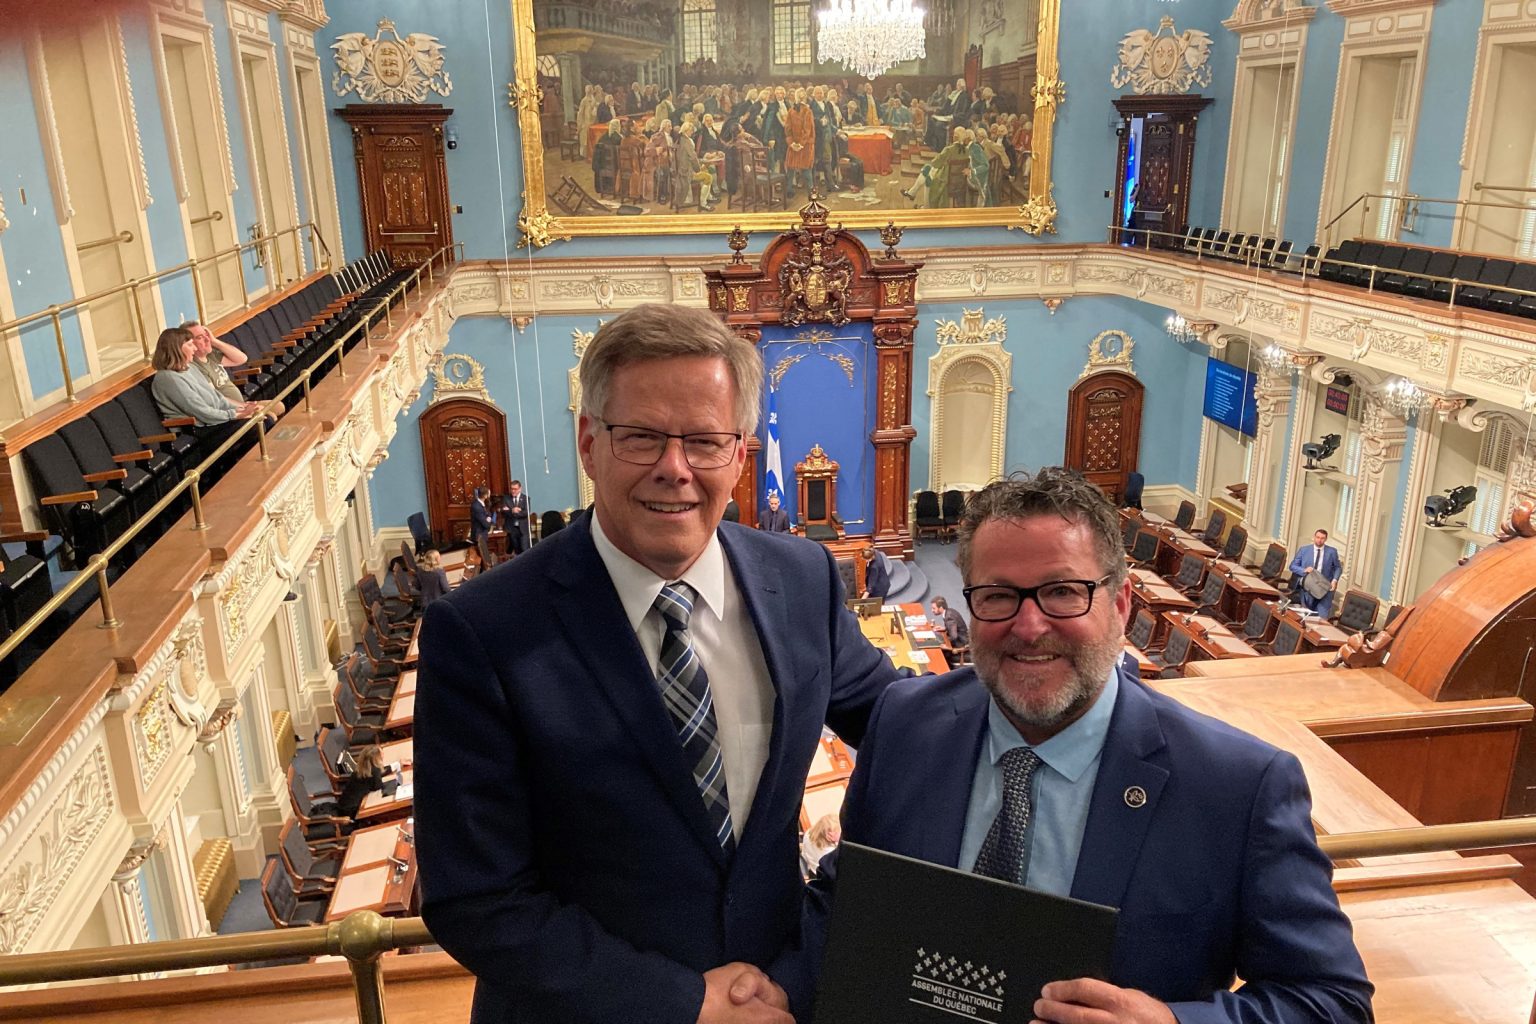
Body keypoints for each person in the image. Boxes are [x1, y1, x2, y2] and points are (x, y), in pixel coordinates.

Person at [414, 303, 907, 1024]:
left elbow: (904, 729)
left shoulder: (801, 578)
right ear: (589, 443)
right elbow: (475, 897)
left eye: (705, 441)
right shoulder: (482, 630)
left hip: (775, 998)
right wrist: (680, 1004)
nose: (675, 469)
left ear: (740, 455)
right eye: (641, 437)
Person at [779, 468, 1375, 1024]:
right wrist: (777, 989)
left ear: (1120, 605)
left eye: (1063, 592)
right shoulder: (907, 723)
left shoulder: (1237, 786)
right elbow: (849, 896)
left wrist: (1173, 1023)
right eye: (997, 595)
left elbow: (1332, 1001)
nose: (1030, 625)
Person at [182, 321, 247, 404]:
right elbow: (215, 399)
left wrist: (214, 341)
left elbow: (242, 359)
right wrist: (244, 407)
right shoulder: (194, 367)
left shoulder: (211, 355)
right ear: (190, 343)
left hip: (241, 407)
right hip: (232, 412)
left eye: (206, 335)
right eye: (200, 337)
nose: (207, 339)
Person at [1289, 528, 1343, 617]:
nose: (1319, 540)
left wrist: (1335, 580)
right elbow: (1292, 566)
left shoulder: (1332, 552)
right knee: (1306, 616)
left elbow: (1338, 568)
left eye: (1322, 538)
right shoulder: (1304, 550)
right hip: (1308, 587)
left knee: (1322, 617)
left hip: (1324, 588)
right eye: (1318, 537)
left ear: (1325, 539)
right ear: (1314, 537)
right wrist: (1304, 570)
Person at [336, 744, 396, 820]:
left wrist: (395, 766)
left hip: (344, 805)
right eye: (381, 754)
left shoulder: (362, 769)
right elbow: (377, 786)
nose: (383, 755)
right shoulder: (374, 772)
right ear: (376, 759)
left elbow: (379, 773)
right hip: (352, 812)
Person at [799, 813, 841, 879]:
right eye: (840, 831)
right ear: (830, 834)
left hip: (811, 871)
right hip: (824, 877)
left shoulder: (807, 834)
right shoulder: (830, 853)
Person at [499, 480, 531, 555]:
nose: (513, 491)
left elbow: (526, 513)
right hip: (512, 529)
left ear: (520, 489)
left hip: (523, 529)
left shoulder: (526, 498)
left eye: (515, 489)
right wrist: (513, 511)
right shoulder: (506, 498)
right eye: (512, 489)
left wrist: (511, 512)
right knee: (517, 550)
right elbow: (503, 512)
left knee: (525, 549)